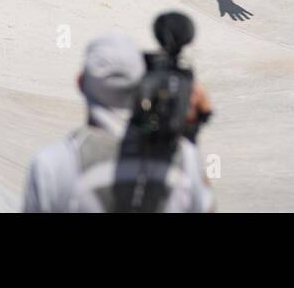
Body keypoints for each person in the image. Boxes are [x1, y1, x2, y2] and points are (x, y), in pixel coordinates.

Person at [22, 33, 215, 213]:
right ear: (142, 85)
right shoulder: (181, 158)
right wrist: (192, 132)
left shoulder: (52, 165)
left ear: (81, 82)